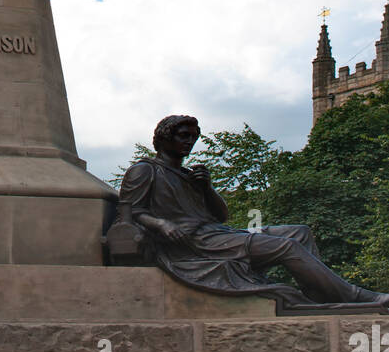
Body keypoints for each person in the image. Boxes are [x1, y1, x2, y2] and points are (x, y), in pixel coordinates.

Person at [112, 114, 389, 310]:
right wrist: (161, 224)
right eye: (184, 136)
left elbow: (221, 216)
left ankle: (321, 297)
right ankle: (355, 296)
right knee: (287, 247)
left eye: (194, 137)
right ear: (165, 138)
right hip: (193, 243)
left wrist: (207, 188)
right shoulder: (145, 170)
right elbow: (130, 212)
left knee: (299, 232)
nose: (190, 142)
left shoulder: (189, 175)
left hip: (217, 233)